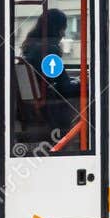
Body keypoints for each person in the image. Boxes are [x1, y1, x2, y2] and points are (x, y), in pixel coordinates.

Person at [21, 8, 81, 141]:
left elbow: (56, 78)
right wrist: (84, 83)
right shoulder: (49, 50)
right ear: (57, 29)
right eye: (63, 29)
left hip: (31, 104)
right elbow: (64, 88)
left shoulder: (30, 46)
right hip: (48, 108)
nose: (63, 34)